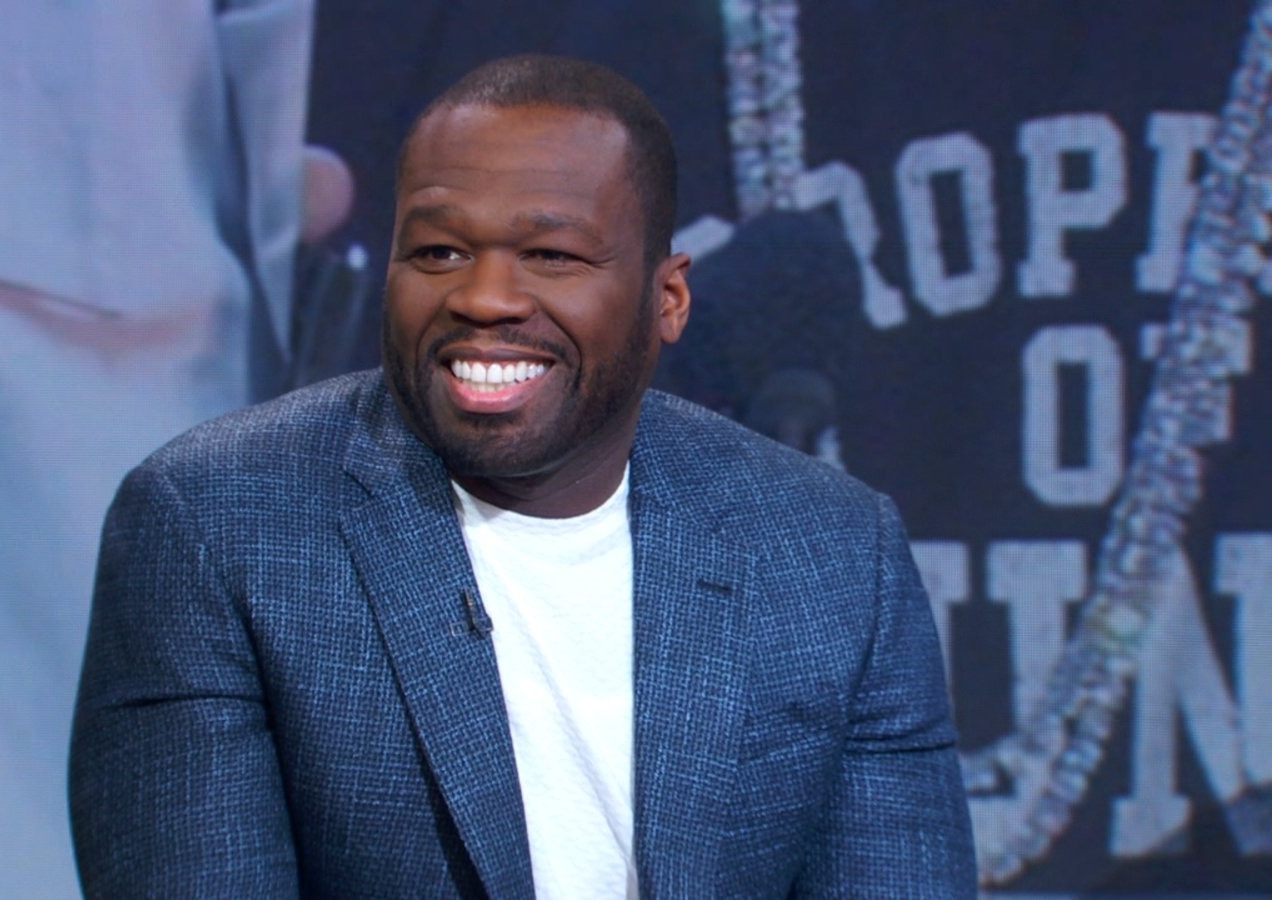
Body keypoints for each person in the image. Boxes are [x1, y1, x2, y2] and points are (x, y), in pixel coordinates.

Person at [69, 54, 975, 897]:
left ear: (667, 299)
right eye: (438, 252)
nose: (484, 297)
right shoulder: (218, 524)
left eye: (551, 256)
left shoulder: (832, 550)